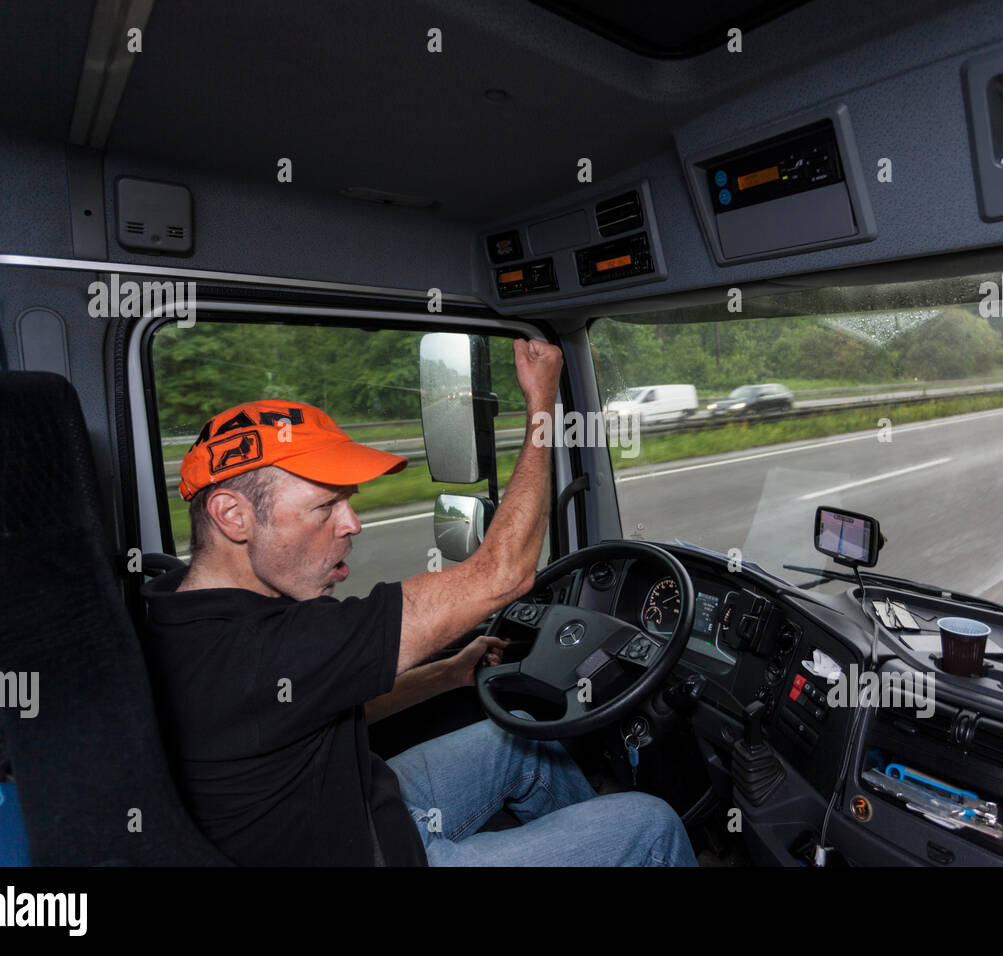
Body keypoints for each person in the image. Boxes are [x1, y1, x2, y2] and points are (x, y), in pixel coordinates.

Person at [140, 338, 697, 866]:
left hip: (359, 805)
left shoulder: (174, 603)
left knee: (519, 739)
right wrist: (541, 404)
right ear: (232, 516)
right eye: (325, 507)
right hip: (379, 855)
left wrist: (446, 675)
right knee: (651, 823)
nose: (352, 524)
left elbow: (319, 702)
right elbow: (503, 574)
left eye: (349, 503)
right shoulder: (265, 650)